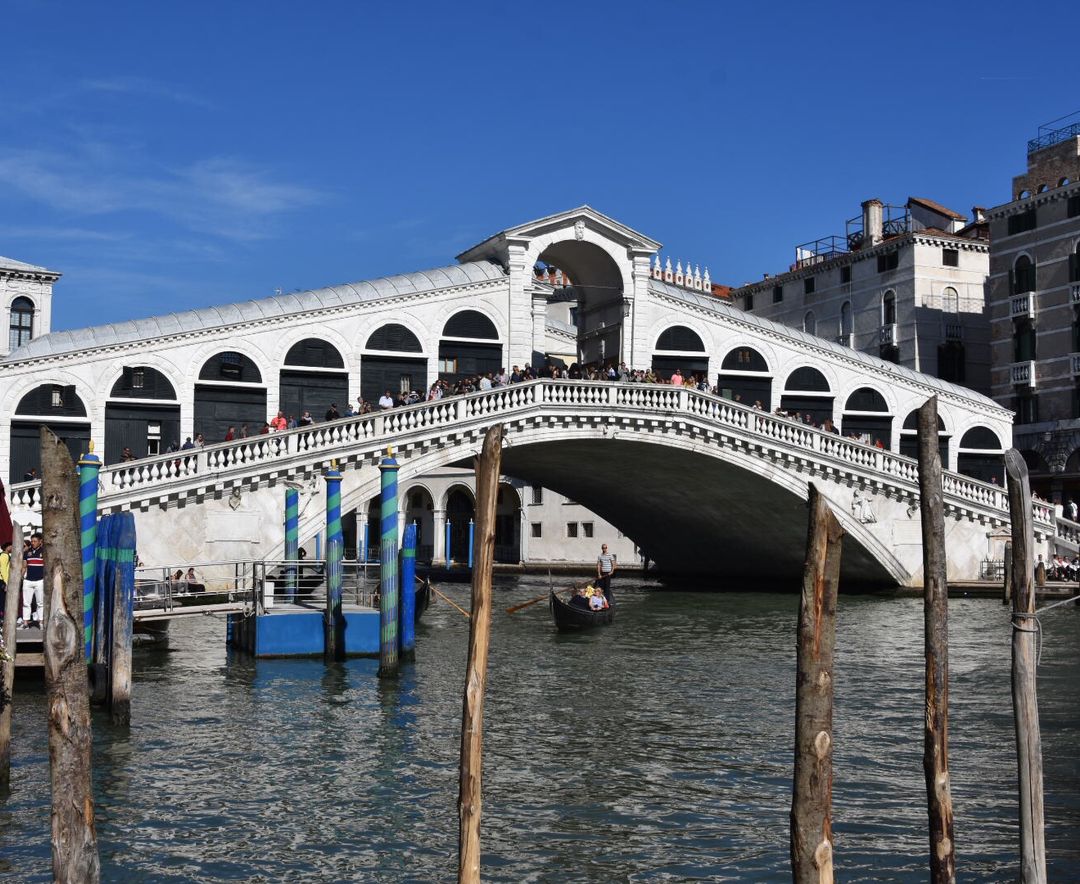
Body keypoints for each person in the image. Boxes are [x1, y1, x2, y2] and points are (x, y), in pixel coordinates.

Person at [21, 532, 45, 628]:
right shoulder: (27, 552)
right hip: (28, 580)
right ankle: (26, 622)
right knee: (26, 603)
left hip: (40, 580)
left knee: (40, 603)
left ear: (40, 541)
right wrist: (21, 577)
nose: (33, 543)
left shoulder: (44, 552)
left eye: (35, 541)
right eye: (32, 541)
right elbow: (24, 566)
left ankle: (41, 622)